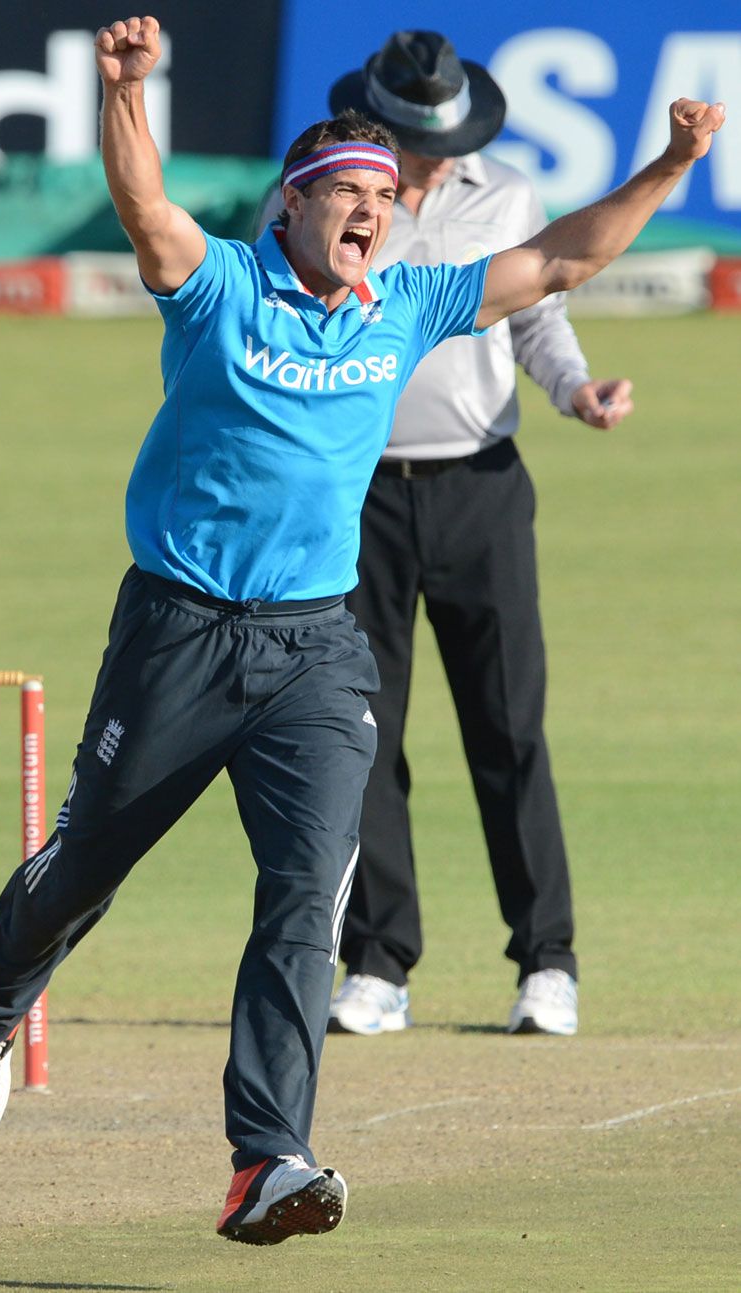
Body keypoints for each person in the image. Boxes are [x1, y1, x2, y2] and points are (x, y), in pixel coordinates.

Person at [0, 14, 724, 1246]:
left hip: (316, 649)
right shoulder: (220, 289)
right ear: (291, 209)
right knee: (88, 864)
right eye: (346, 192)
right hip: (181, 632)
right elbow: (145, 209)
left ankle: (267, 1159)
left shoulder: (403, 306)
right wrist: (128, 90)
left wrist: (671, 168)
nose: (371, 209)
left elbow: (561, 262)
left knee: (308, 897)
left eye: (381, 195)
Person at [258, 31, 637, 1040]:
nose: (420, 166)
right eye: (407, 143)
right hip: (355, 496)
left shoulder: (504, 195)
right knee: (364, 736)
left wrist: (575, 390)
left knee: (508, 727)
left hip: (480, 485)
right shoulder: (322, 195)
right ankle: (380, 962)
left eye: (436, 145)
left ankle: (545, 960)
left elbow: (538, 314)